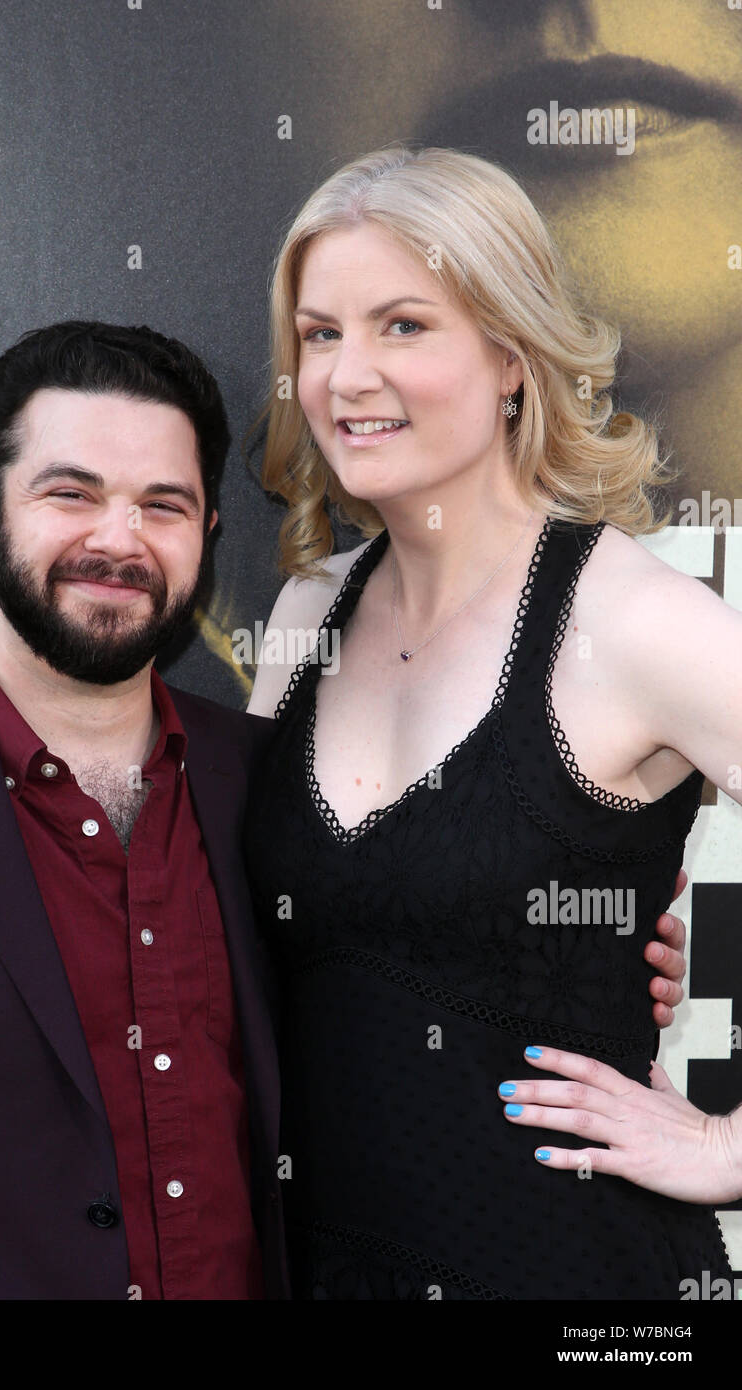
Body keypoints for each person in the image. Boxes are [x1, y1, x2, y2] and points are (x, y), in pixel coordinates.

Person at [244, 144, 741, 1300]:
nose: (348, 375)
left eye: (404, 325)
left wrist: (723, 1149)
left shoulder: (636, 622)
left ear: (512, 356)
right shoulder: (310, 609)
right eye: (320, 334)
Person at [0, 321, 288, 1300]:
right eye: (70, 493)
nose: (117, 539)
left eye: (163, 505)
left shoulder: (269, 783)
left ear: (208, 536)